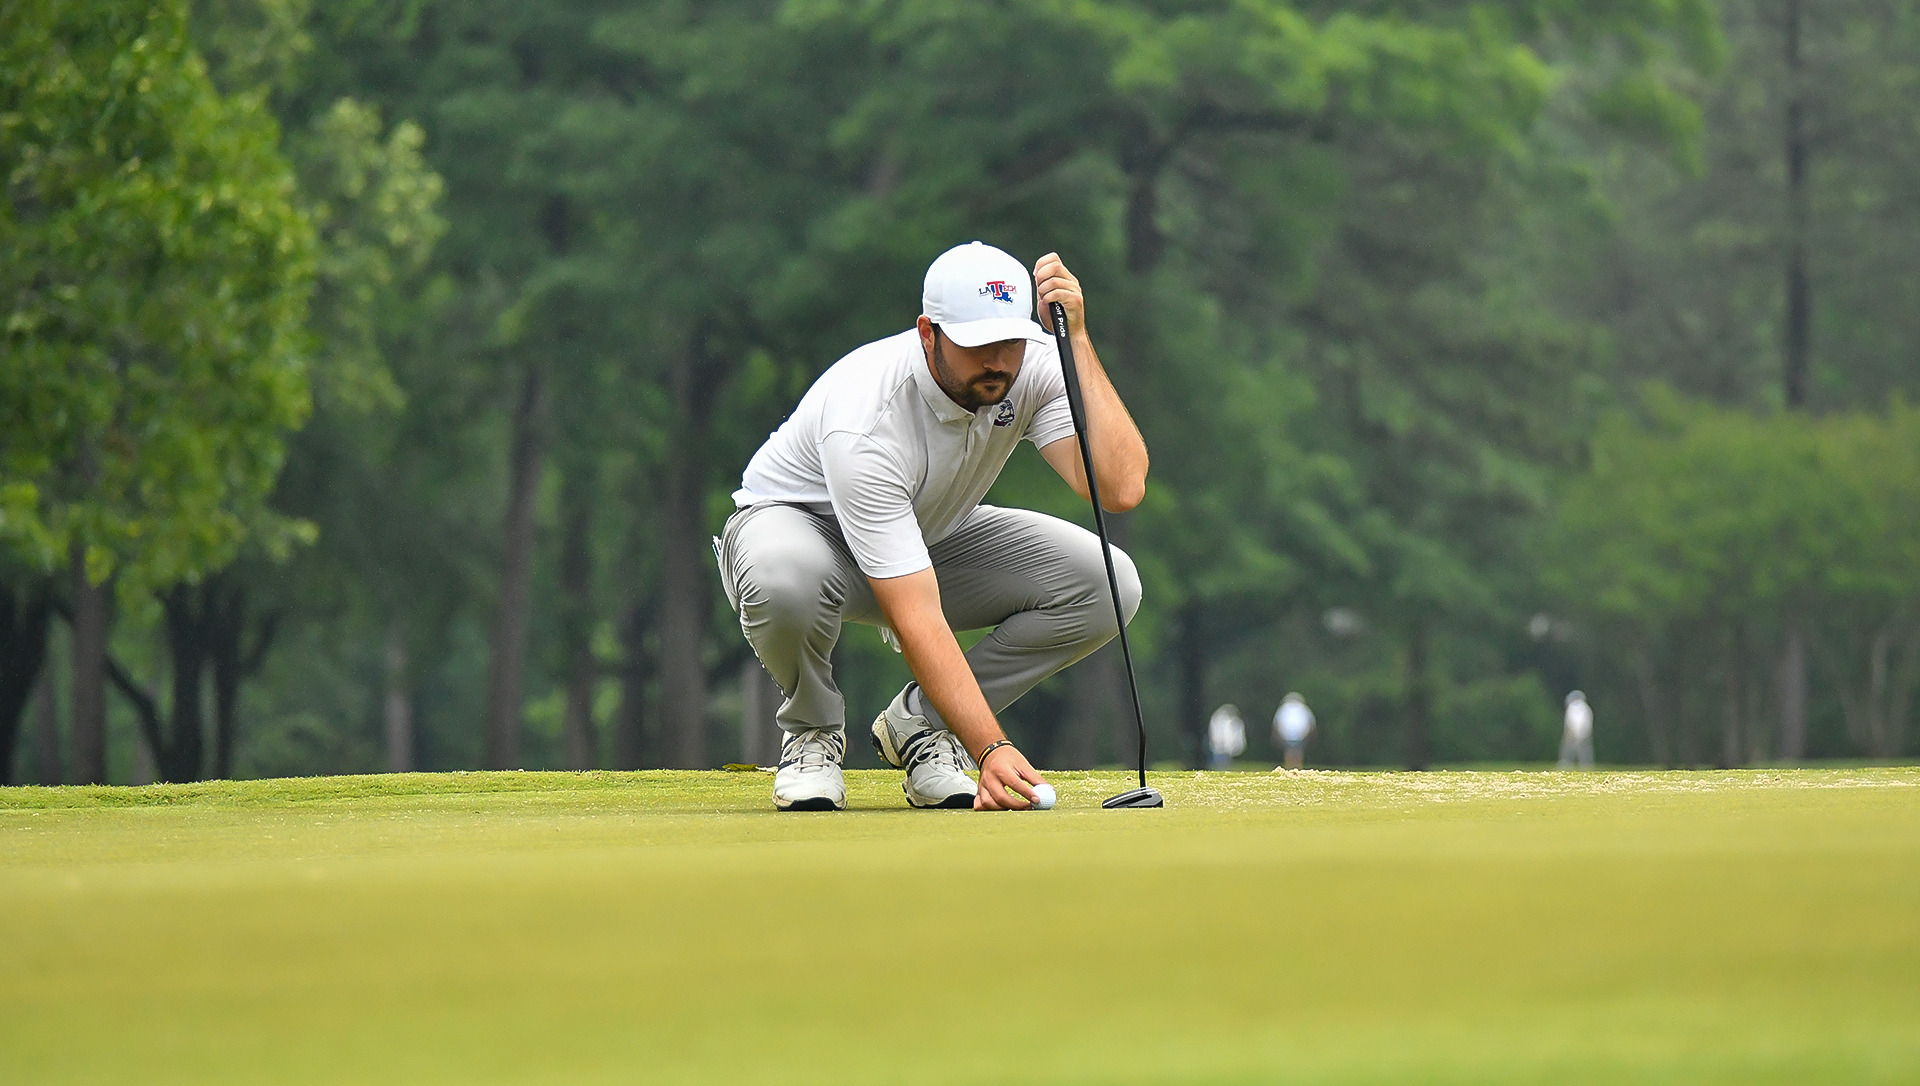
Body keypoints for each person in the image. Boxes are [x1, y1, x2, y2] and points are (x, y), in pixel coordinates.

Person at [715, 242, 1149, 811]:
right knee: (784, 576)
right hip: (800, 533)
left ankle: (919, 728)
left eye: (1010, 341)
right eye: (977, 344)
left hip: (925, 535)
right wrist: (991, 746)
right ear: (928, 333)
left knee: (1108, 585)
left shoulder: (1034, 364)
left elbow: (1119, 487)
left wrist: (1080, 343)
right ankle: (813, 736)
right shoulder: (866, 417)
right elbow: (914, 611)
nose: (998, 360)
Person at [1273, 692, 1314, 770]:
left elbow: (1277, 723)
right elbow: (1310, 723)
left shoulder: (1284, 708)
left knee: (1291, 752)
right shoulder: (1303, 709)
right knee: (1295, 752)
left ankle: (1291, 768)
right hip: (1298, 734)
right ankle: (1296, 768)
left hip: (1291, 734)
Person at [1559, 690, 1594, 769]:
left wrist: (1573, 732)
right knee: (1583, 750)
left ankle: (1567, 763)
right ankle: (1585, 765)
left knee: (1571, 750)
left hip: (1574, 732)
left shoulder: (1573, 707)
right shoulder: (1585, 707)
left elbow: (1571, 721)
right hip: (1584, 733)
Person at [1207, 704, 1247, 769]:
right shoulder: (1219, 720)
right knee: (1220, 764)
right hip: (1219, 746)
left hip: (1224, 747)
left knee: (1225, 764)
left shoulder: (1231, 721)